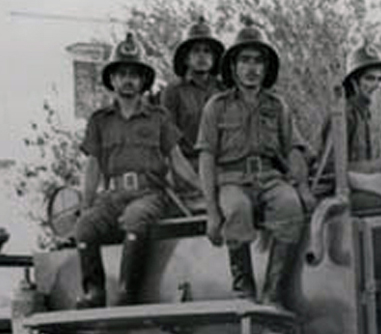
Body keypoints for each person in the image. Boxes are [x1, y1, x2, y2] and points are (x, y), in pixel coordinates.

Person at [71, 33, 200, 308]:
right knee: (84, 226)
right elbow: (93, 165)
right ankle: (93, 292)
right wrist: (86, 204)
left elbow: (176, 159)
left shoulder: (158, 117)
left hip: (149, 193)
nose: (128, 80)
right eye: (121, 74)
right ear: (113, 80)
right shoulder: (100, 121)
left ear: (143, 81)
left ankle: (127, 292)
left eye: (134, 74)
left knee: (136, 219)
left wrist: (203, 190)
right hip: (113, 194)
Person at [196, 18, 316, 306]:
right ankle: (244, 290)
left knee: (289, 207)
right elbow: (206, 156)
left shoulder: (277, 106)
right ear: (234, 67)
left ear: (266, 68)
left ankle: (273, 292)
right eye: (245, 60)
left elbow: (294, 149)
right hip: (232, 180)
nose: (252, 68)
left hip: (270, 178)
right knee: (237, 210)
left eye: (258, 61)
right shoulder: (217, 106)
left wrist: (301, 188)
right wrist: (212, 211)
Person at [160, 17, 225, 173]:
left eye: (207, 51)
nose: (202, 56)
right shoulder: (173, 91)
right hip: (187, 163)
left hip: (221, 163)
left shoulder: (223, 90)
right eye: (196, 51)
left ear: (214, 58)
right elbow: (168, 139)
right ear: (186, 58)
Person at [321, 42, 381, 163]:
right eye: (370, 78)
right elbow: (330, 167)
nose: (376, 85)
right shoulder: (343, 116)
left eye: (380, 79)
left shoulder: (374, 118)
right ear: (354, 83)